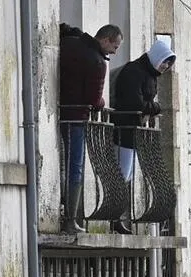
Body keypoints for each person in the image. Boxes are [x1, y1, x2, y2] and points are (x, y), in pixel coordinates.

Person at [58, 23, 123, 234]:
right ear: (105, 40)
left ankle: (65, 211)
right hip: (77, 118)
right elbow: (94, 100)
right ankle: (70, 220)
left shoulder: (69, 45)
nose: (115, 51)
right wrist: (102, 104)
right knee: (75, 167)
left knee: (65, 164)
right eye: (115, 46)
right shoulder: (97, 62)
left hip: (61, 113)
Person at [109, 39, 176, 233]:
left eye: (169, 63)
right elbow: (134, 102)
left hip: (134, 130)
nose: (166, 66)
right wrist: (156, 108)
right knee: (122, 173)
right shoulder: (135, 72)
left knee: (126, 174)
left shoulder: (149, 74)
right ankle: (115, 216)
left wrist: (151, 108)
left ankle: (118, 215)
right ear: (156, 57)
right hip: (124, 129)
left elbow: (144, 102)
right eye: (165, 61)